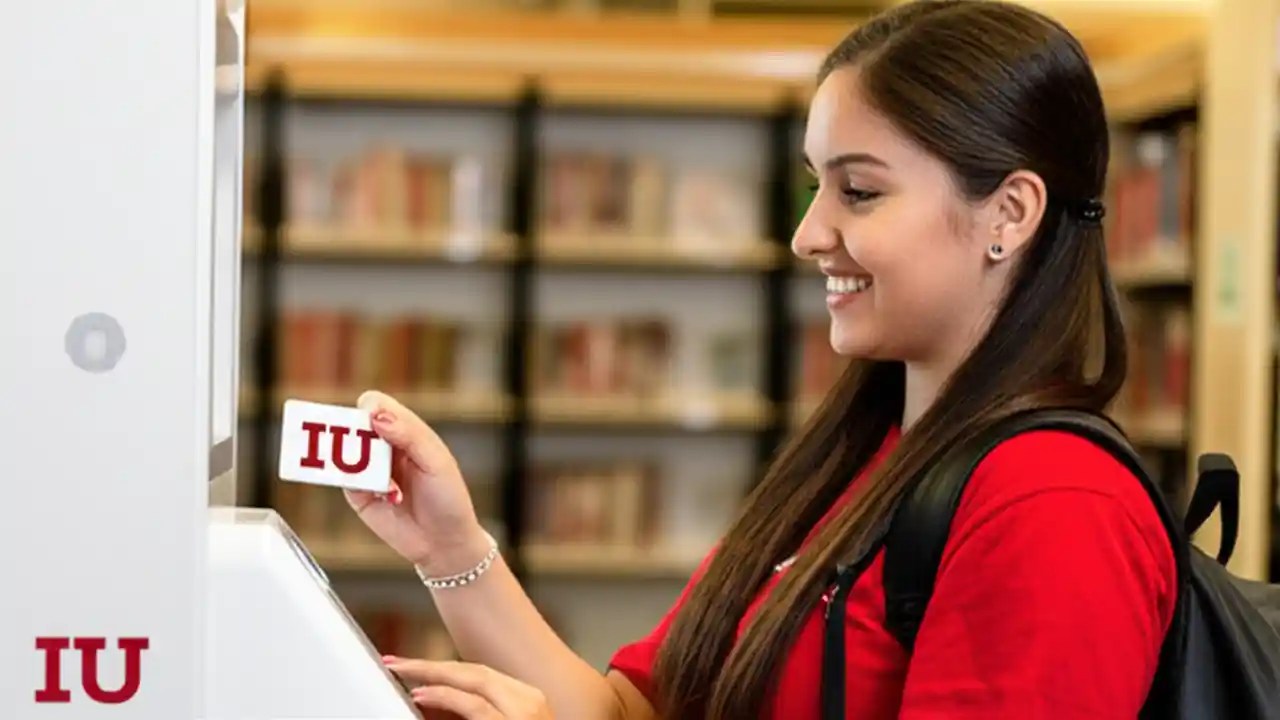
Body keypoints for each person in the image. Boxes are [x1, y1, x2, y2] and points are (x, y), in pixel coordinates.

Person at [345, 1, 1176, 717]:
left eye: (859, 191)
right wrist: (450, 549)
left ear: (1010, 212)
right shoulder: (865, 460)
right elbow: (631, 708)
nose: (808, 235)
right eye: (816, 186)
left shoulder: (1055, 506)